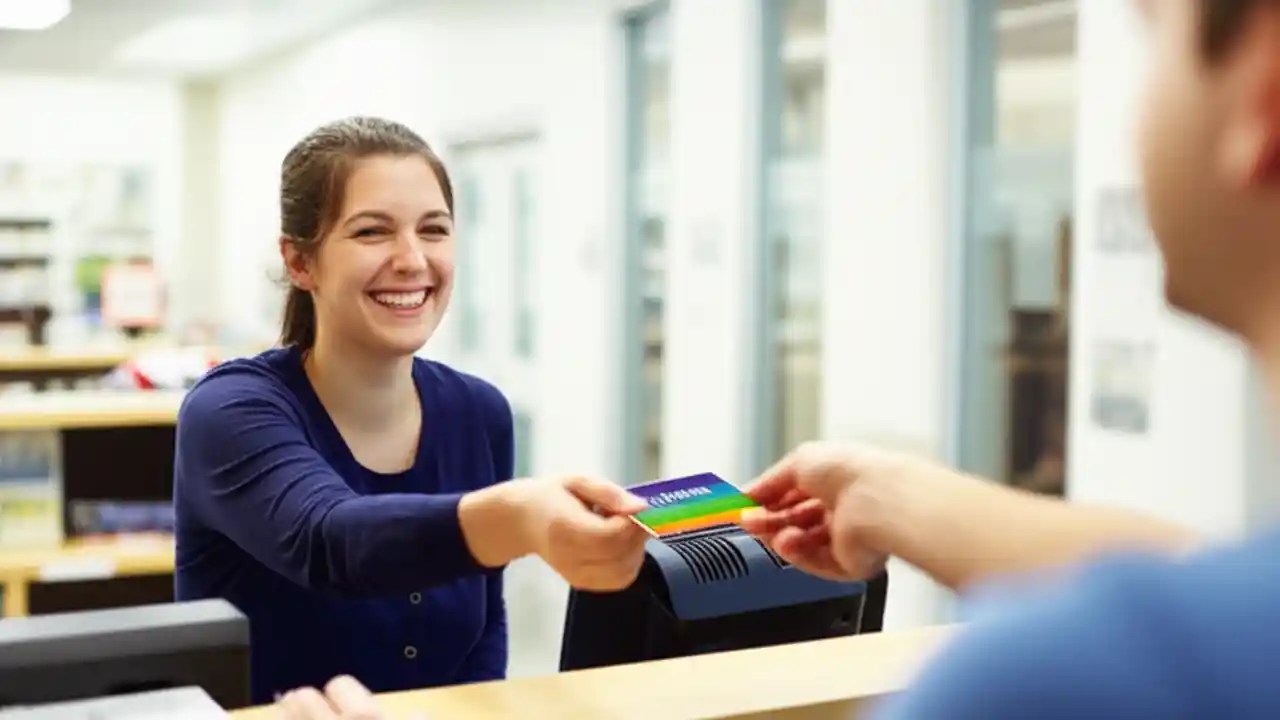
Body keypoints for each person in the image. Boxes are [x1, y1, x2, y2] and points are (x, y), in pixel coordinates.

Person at [742, 0, 1280, 716]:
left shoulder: (1043, 686)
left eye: (1153, 32)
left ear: (1266, 95)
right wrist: (881, 498)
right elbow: (1205, 572)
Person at [173, 116, 649, 706]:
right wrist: (519, 516)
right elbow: (330, 542)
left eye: (434, 230)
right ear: (300, 263)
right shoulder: (229, 411)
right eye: (373, 232)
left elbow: (483, 631)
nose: (412, 259)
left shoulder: (479, 412)